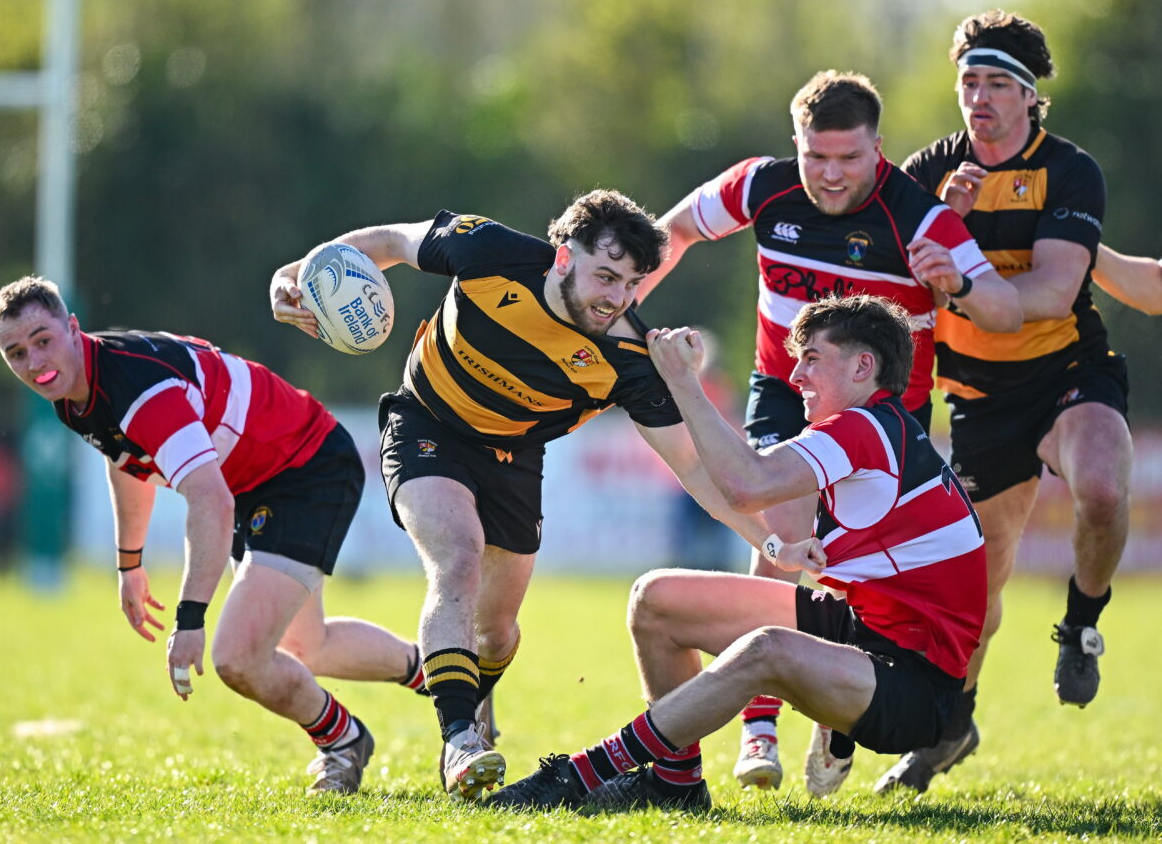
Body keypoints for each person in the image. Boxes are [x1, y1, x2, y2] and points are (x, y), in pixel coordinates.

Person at [269, 190, 776, 801]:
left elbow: (694, 469)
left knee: (498, 634)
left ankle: (473, 697)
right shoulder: (489, 250)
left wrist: (775, 541)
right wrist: (294, 274)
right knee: (455, 560)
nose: (616, 297)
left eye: (631, 284)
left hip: (513, 460)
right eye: (605, 275)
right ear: (564, 256)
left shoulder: (631, 359)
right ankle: (459, 738)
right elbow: (387, 245)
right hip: (427, 422)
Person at [634, 69, 1020, 793]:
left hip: (885, 422)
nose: (832, 174)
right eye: (817, 157)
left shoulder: (921, 219)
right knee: (779, 529)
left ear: (879, 148)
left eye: (850, 158)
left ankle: (836, 709)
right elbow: (676, 231)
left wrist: (962, 282)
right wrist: (622, 303)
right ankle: (760, 732)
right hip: (787, 389)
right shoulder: (760, 186)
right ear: (795, 145)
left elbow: (1004, 308)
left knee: (856, 575)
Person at [486, 294, 987, 812]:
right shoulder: (875, 428)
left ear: (864, 366)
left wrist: (684, 382)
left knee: (767, 647)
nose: (795, 376)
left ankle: (576, 778)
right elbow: (731, 480)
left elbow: (745, 484)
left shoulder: (865, 428)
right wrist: (778, 544)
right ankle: (674, 787)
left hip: (912, 687)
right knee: (655, 600)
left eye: (812, 358)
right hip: (866, 632)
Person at [0, 276, 430, 796]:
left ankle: (344, 742)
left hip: (303, 467)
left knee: (237, 657)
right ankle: (452, 680)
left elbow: (209, 500)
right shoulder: (71, 382)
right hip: (261, 479)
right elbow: (125, 461)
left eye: (42, 339)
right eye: (15, 353)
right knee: (308, 643)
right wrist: (129, 564)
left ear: (73, 327)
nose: (34, 361)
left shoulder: (136, 387)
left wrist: (190, 618)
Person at [875, 9, 1133, 794]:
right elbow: (886, 280)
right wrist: (931, 220)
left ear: (1029, 97)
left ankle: (1081, 627)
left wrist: (959, 270)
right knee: (974, 592)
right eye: (968, 82)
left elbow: (1055, 293)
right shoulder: (928, 171)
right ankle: (953, 724)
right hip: (979, 397)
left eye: (995, 84)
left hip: (1066, 370)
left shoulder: (1068, 170)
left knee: (1099, 485)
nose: (978, 98)